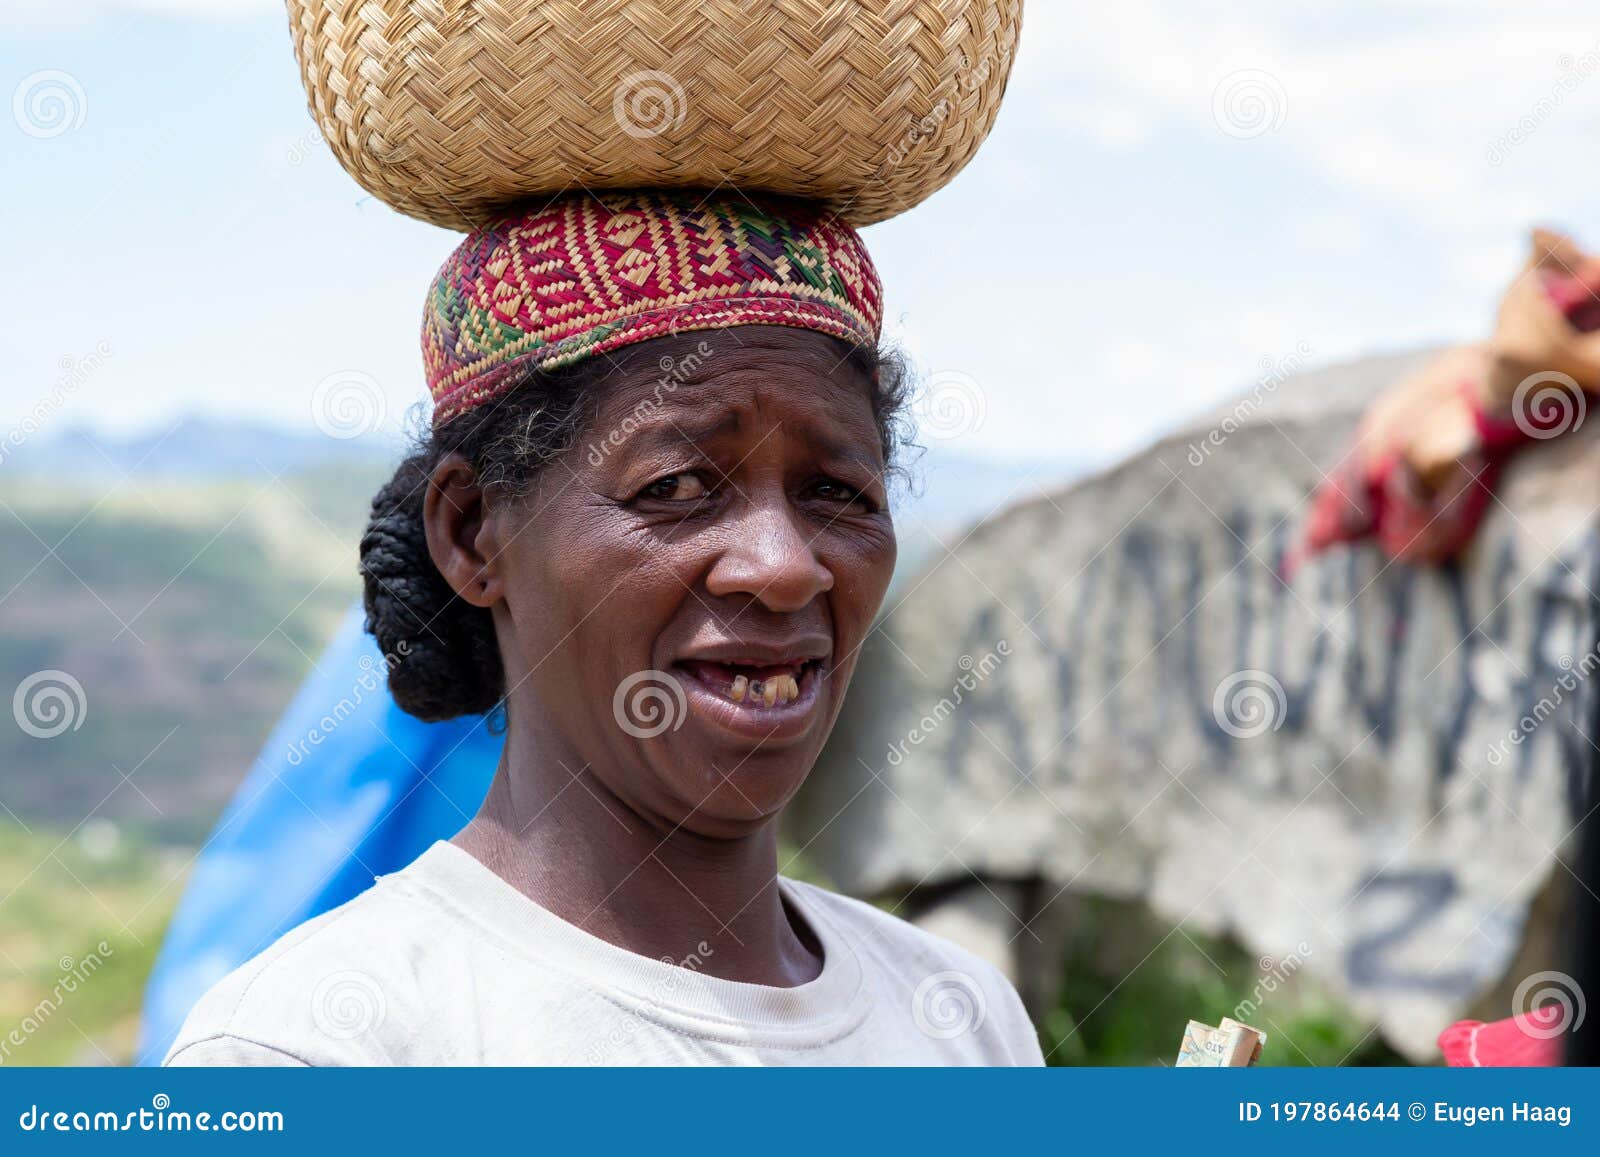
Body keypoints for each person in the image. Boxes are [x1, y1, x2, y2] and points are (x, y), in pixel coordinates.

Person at [163, 190, 1045, 1066]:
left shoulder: (962, 1021)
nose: (784, 566)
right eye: (676, 487)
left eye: (836, 492)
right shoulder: (318, 1049)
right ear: (473, 533)